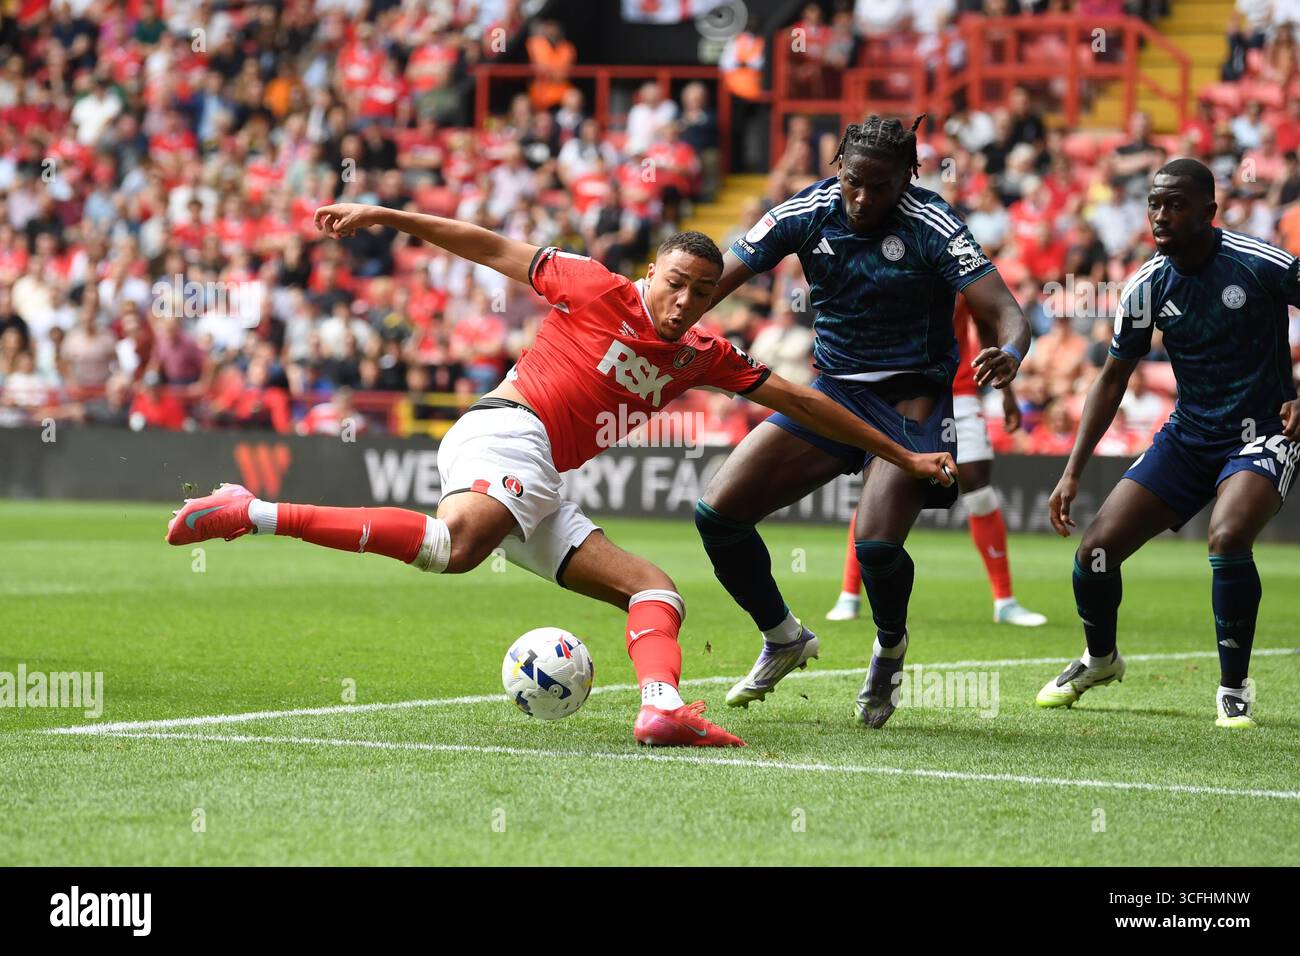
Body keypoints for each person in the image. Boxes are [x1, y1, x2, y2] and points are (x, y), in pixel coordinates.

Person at [167, 204, 955, 747]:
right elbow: (487, 246)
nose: (684, 301)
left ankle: (661, 708)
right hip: (507, 431)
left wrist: (905, 455)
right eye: (674, 282)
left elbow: (803, 402)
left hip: (540, 474)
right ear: (651, 272)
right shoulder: (591, 287)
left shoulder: (702, 356)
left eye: (701, 293)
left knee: (654, 590)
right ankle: (251, 511)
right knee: (454, 548)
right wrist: (388, 217)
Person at [694, 114, 1030, 728]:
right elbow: (717, 278)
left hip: (914, 402)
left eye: (880, 186)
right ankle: (783, 635)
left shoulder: (935, 223)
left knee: (876, 545)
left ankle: (890, 646)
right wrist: (663, 315)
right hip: (834, 395)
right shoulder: (807, 210)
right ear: (837, 169)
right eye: (853, 181)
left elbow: (1004, 309)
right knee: (717, 513)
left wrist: (1008, 352)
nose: (863, 198)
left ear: (910, 176)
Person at [1040, 159, 1300, 728]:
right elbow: (1112, 379)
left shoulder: (1259, 263)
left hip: (1263, 433)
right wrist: (1072, 471)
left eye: (1176, 204)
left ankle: (1234, 687)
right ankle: (1100, 658)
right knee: (1095, 552)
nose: (1161, 214)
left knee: (1228, 537)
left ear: (1209, 211)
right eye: (1155, 203)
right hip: (1189, 435)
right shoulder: (1146, 285)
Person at [827, 300, 1047, 626]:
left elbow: (987, 323)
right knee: (877, 487)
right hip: (902, 391)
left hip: (959, 389)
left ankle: (1005, 600)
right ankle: (849, 594)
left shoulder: (957, 262)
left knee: (979, 489)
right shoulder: (886, 265)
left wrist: (1007, 393)